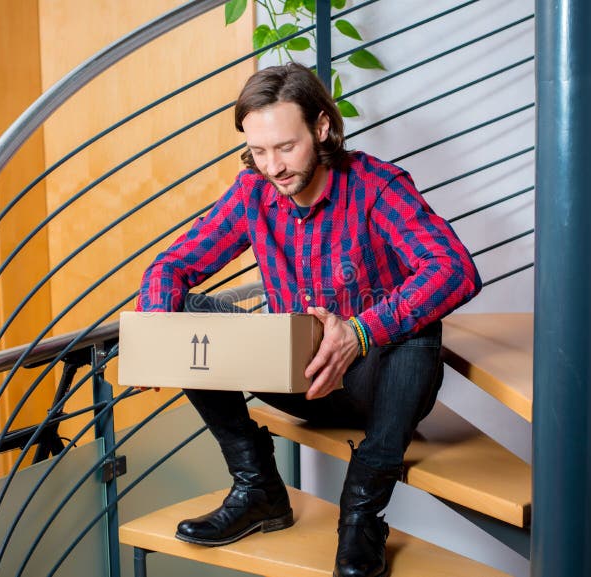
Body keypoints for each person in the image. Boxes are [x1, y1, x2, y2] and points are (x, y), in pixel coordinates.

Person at [136, 62, 481, 577]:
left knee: (419, 326)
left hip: (378, 387)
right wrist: (159, 337)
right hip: (296, 380)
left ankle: (362, 515)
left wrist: (361, 333)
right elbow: (173, 264)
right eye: (258, 151)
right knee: (184, 317)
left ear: (322, 128)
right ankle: (259, 488)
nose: (272, 167)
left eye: (285, 147)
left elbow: (454, 269)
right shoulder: (253, 190)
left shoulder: (376, 186)